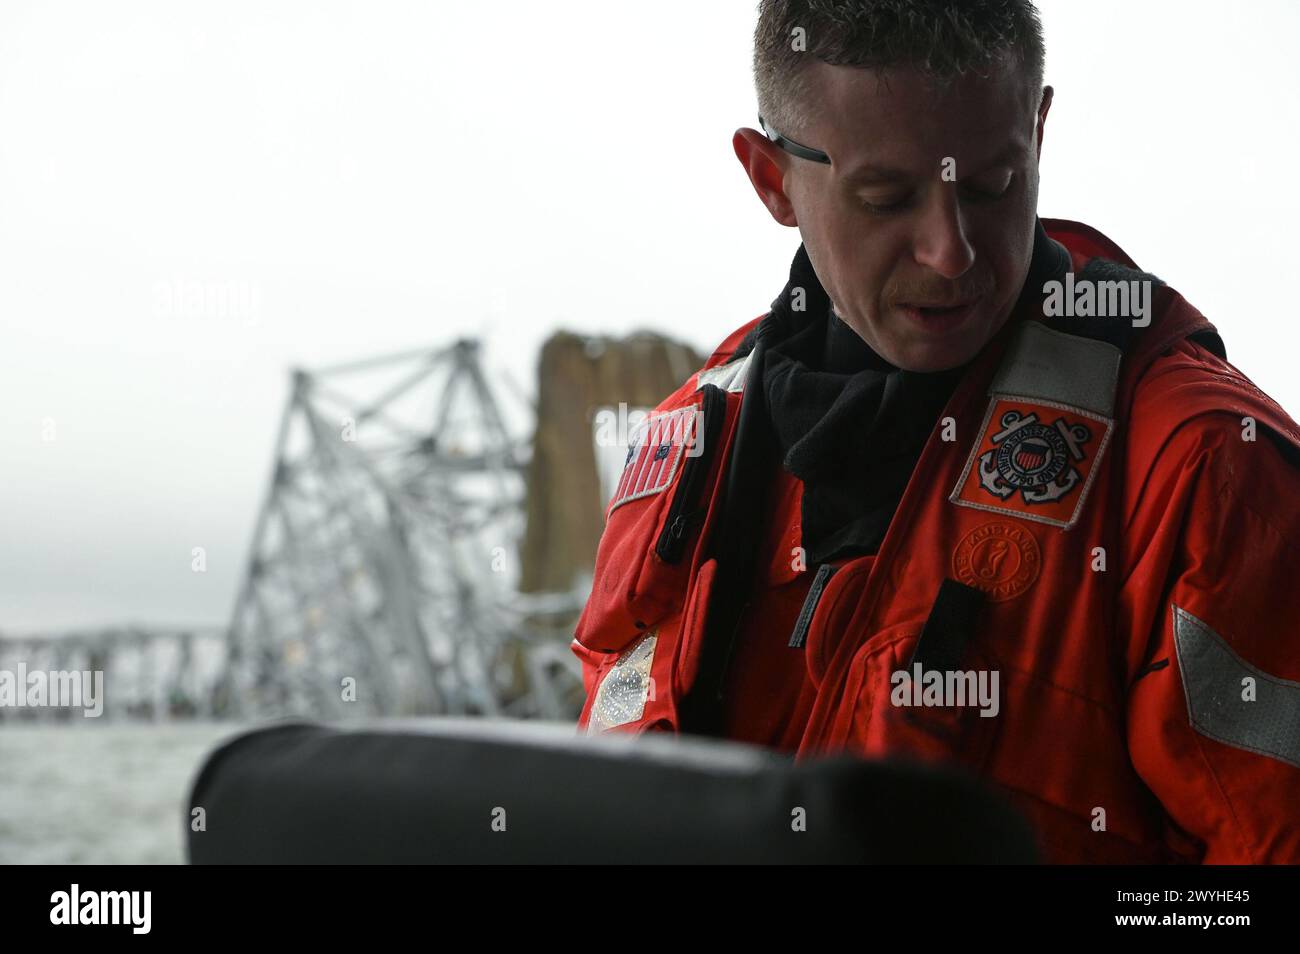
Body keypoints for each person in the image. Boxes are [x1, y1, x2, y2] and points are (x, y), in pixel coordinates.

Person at [570, 0, 1300, 864]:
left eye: (993, 185)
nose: (951, 251)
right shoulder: (680, 452)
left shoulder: (1202, 468)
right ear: (771, 181)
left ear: (1039, 127)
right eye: (886, 198)